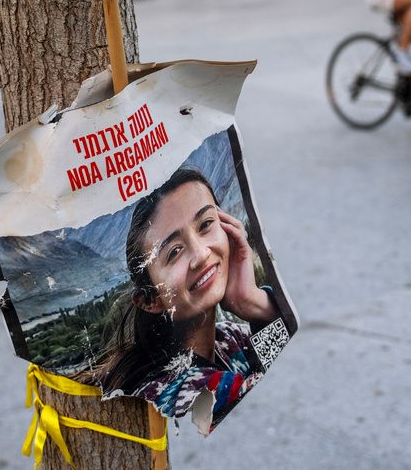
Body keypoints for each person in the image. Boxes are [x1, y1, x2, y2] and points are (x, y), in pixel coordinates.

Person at [97, 169, 282, 433]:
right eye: (174, 252)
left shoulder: (229, 339)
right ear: (151, 300)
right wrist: (259, 308)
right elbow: (290, 387)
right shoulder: (178, 390)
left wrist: (251, 302)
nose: (201, 254)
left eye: (206, 224)